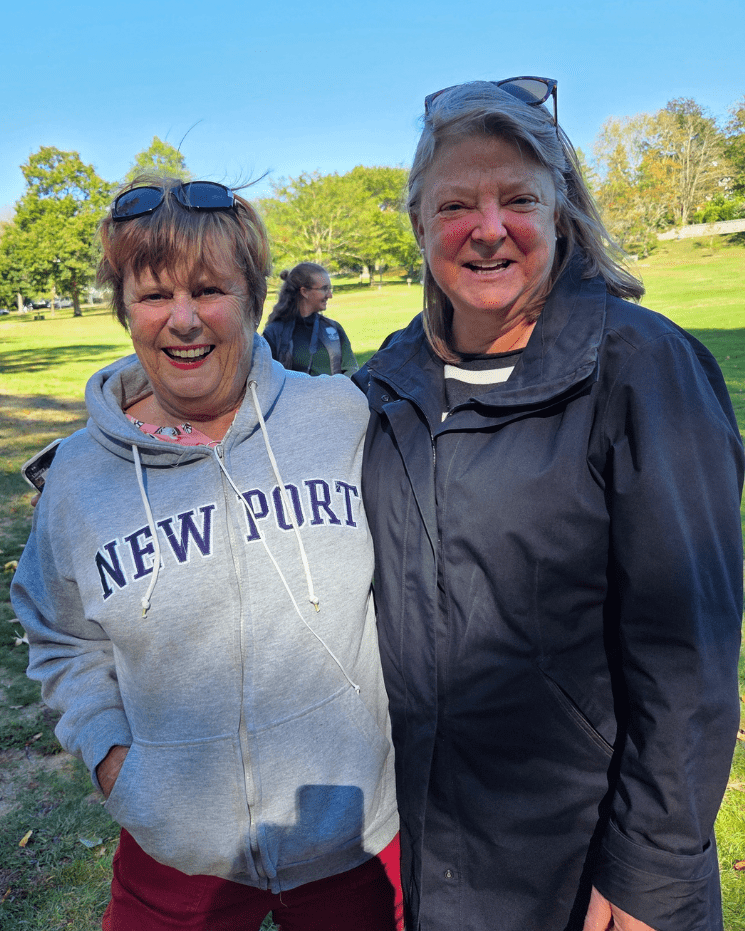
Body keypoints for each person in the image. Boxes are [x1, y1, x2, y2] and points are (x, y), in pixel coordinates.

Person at [353, 78, 745, 931]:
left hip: (588, 868)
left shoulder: (643, 369)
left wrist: (654, 870)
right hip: (431, 854)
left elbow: (689, 654)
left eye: (517, 198)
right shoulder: (384, 384)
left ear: (560, 212)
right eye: (456, 202)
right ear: (419, 223)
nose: (487, 227)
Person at [11, 177, 401, 931]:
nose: (183, 319)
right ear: (124, 307)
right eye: (154, 294)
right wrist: (112, 757)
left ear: (253, 296)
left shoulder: (340, 418)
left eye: (209, 288)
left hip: (352, 831)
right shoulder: (79, 480)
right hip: (171, 849)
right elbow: (58, 633)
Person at [263, 262, 359, 376]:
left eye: (329, 289)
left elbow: (351, 370)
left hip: (335, 394)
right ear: (304, 292)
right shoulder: (274, 332)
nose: (330, 295)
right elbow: (267, 378)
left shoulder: (334, 329)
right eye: (324, 289)